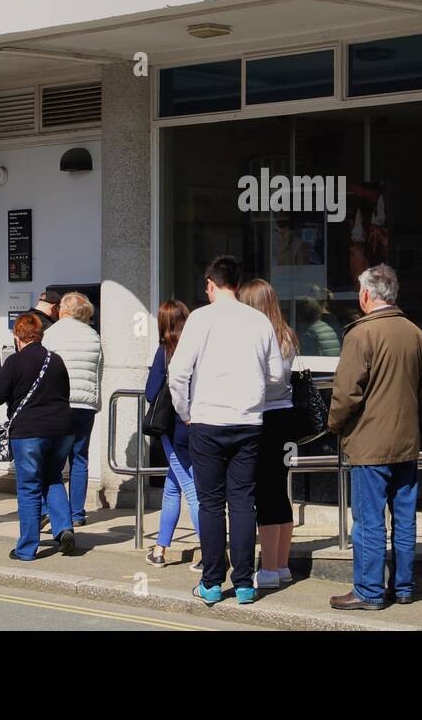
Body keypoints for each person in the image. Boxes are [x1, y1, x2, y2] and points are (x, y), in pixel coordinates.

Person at [168, 255, 286, 605]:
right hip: (248, 421)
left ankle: (212, 582)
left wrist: (186, 412)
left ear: (210, 284)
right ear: (237, 282)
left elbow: (177, 374)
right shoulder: (259, 320)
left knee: (210, 504)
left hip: (206, 421)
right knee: (243, 503)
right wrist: (253, 391)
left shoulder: (200, 319)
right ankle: (246, 584)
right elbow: (278, 375)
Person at [327, 264, 422, 611]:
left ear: (367, 295)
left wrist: (334, 425)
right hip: (406, 440)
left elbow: (346, 394)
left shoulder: (360, 335)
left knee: (369, 520)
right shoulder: (414, 332)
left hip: (369, 443)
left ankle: (369, 591)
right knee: (404, 517)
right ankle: (403, 587)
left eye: (360, 291)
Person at [0, 312, 77, 561]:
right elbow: (65, 392)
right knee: (54, 478)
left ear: (18, 336)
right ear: (39, 335)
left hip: (29, 432)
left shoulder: (15, 362)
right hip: (62, 430)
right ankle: (64, 529)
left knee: (28, 488)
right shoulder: (56, 360)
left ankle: (26, 548)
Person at [238, 278, 299, 590]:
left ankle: (269, 567)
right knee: (278, 489)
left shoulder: (258, 339)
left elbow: (259, 382)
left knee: (264, 492)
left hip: (263, 418)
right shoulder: (286, 334)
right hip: (286, 417)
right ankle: (282, 564)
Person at [145, 300, 202, 572]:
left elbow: (150, 392)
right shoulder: (198, 348)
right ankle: (160, 548)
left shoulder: (165, 352)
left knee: (191, 490)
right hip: (200, 425)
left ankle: (210, 553)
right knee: (172, 487)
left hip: (174, 429)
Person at [43, 291, 102, 527]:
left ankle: (51, 509)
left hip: (57, 404)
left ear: (62, 310)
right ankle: (77, 513)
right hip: (85, 404)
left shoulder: (50, 334)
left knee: (52, 459)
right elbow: (99, 371)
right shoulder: (93, 336)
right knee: (79, 458)